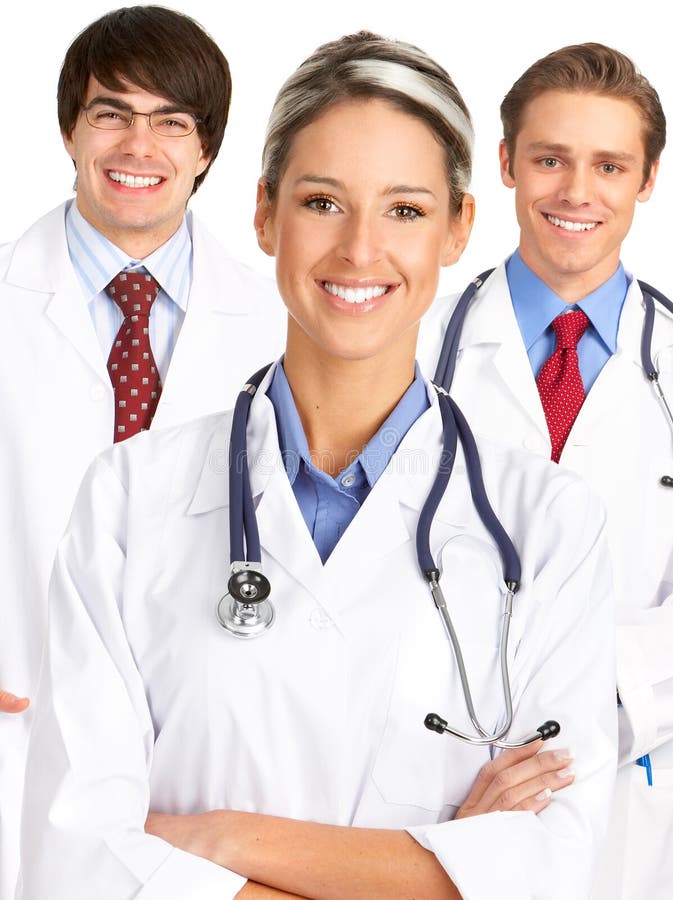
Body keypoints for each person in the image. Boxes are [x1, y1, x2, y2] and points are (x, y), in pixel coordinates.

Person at [20, 32, 615, 899]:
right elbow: (77, 863)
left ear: (457, 230)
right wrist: (441, 869)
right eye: (323, 203)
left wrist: (219, 840)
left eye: (405, 210)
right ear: (264, 214)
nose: (360, 250)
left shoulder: (548, 524)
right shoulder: (127, 499)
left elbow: (554, 867)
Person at [0, 7, 283, 898]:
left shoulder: (282, 325)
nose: (139, 144)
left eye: (173, 122)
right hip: (18, 731)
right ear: (68, 129)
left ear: (207, 150)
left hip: (218, 760)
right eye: (110, 112)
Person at [419, 43, 670, 900]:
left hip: (638, 783)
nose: (575, 192)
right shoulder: (407, 351)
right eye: (549, 159)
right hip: (433, 769)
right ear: (504, 164)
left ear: (646, 180)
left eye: (608, 165)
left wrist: (570, 719)